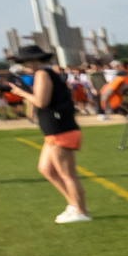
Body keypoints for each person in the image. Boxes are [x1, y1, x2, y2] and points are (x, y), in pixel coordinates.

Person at [18, 45, 90, 223]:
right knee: (46, 169)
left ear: (35, 60)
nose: (24, 65)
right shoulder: (45, 74)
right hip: (54, 130)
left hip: (61, 129)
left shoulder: (43, 74)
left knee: (67, 174)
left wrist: (21, 93)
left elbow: (41, 102)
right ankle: (73, 204)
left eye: (26, 61)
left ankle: (81, 211)